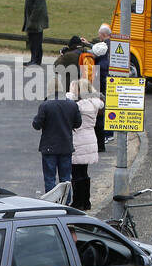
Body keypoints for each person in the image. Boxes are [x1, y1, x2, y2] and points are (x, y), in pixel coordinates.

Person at [32, 91, 81, 193]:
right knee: (66, 178)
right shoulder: (72, 105)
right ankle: (66, 203)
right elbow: (78, 123)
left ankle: (52, 203)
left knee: (50, 178)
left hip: (49, 145)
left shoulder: (45, 105)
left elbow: (37, 125)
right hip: (66, 145)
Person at [66, 79, 104, 210]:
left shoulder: (78, 106)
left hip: (78, 138)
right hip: (90, 137)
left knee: (76, 172)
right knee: (84, 172)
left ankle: (77, 201)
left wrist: (70, 94)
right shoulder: (94, 104)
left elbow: (69, 109)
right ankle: (86, 201)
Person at [21, 0, 48, 66]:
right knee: (32, 41)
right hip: (31, 19)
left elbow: (38, 6)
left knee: (36, 41)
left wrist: (32, 20)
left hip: (37, 21)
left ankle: (36, 60)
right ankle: (34, 59)